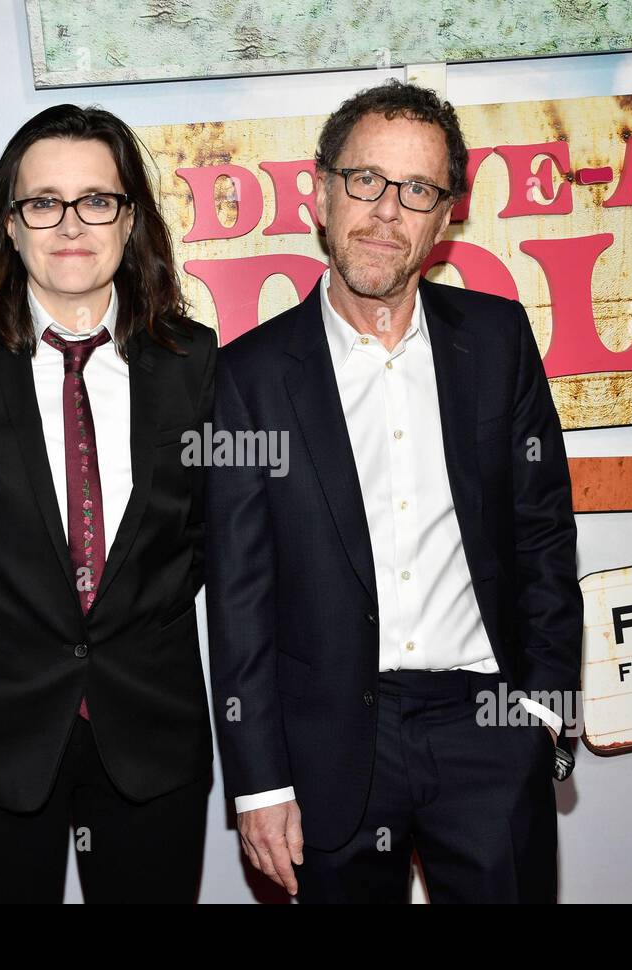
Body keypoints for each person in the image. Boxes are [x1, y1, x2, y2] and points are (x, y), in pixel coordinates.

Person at [205, 79, 581, 903]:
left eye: (417, 190)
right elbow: (238, 595)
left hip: (486, 729)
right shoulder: (249, 376)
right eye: (365, 181)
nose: (385, 213)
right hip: (330, 739)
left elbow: (543, 532)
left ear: (446, 216)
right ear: (320, 191)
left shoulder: (497, 340)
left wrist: (546, 713)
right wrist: (259, 782)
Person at [0, 103, 216, 903]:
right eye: (43, 202)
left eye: (96, 200)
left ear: (129, 217)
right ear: (9, 223)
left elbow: (208, 538)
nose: (70, 224)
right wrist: (17, 624)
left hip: (152, 736)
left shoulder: (192, 361)